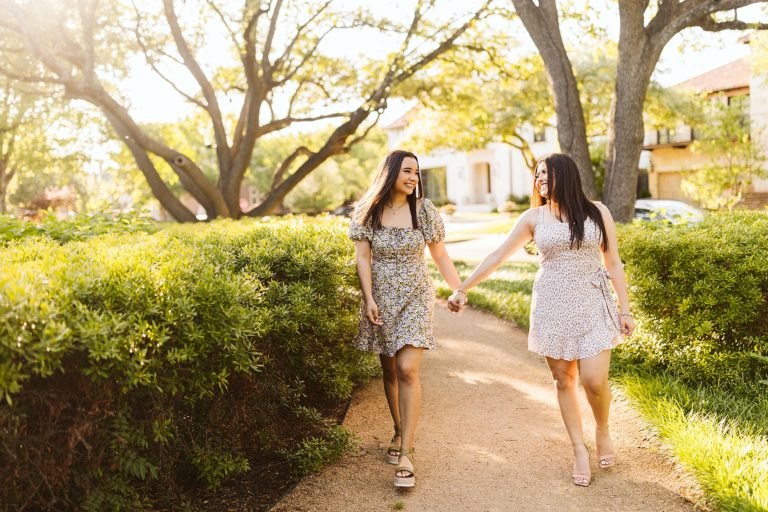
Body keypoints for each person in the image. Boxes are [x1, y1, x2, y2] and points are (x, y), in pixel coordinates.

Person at [447, 153, 635, 487]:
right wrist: (463, 288)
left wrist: (625, 309)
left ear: (566, 174)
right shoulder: (535, 217)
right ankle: (578, 448)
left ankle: (602, 429)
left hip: (593, 303)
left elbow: (614, 263)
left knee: (593, 381)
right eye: (537, 175)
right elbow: (497, 255)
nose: (540, 180)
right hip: (551, 306)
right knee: (564, 379)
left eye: (545, 173)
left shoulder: (598, 212)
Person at [349, 149, 462, 488]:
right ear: (391, 173)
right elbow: (363, 259)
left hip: (416, 295)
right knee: (389, 370)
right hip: (381, 298)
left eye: (417, 172)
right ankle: (399, 429)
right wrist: (369, 298)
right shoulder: (367, 211)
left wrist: (458, 288)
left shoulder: (424, 209)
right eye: (407, 171)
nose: (414, 177)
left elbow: (439, 253)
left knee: (406, 369)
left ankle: (408, 453)